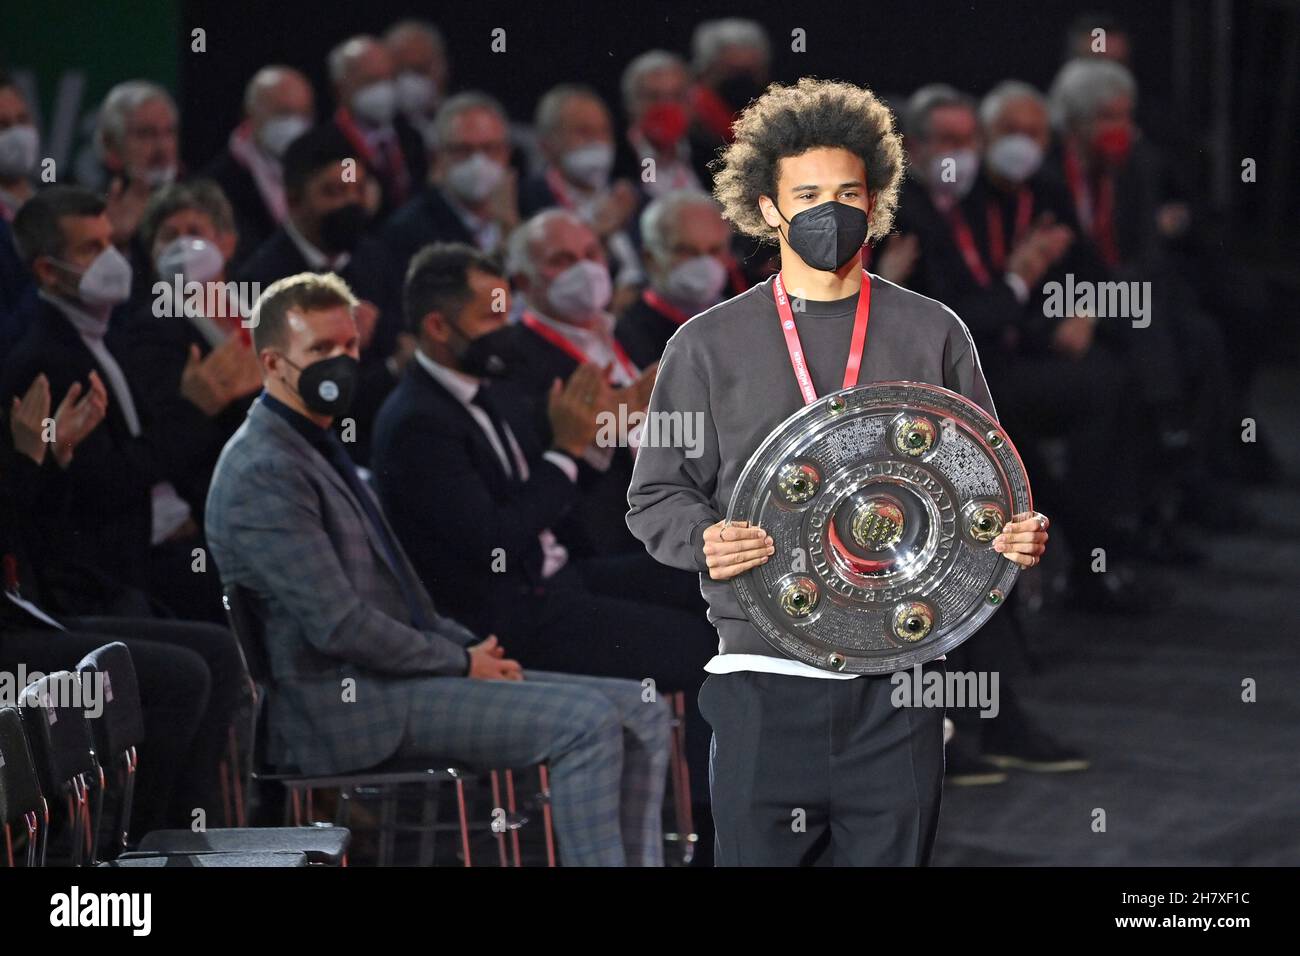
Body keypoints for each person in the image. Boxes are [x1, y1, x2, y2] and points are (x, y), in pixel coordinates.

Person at [626, 78, 1051, 866]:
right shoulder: (705, 345)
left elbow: (986, 483)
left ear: (879, 198)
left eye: (850, 192)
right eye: (810, 193)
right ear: (767, 208)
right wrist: (704, 537)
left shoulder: (934, 331)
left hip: (900, 685)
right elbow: (653, 497)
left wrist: (1016, 534)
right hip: (760, 677)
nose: (833, 211)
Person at [204, 270, 670, 866]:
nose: (341, 362)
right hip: (344, 706)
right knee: (587, 724)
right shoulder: (264, 468)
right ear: (271, 363)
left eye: (348, 347)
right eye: (319, 351)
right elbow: (339, 626)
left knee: (643, 710)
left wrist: (475, 650)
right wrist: (459, 661)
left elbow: (402, 598)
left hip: (404, 676)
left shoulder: (316, 443)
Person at [1, 187, 225, 623]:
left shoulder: (104, 337)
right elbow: (105, 483)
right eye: (91, 248)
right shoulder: (43, 365)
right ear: (47, 271)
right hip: (108, 581)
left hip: (145, 558)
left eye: (111, 243)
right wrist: (194, 408)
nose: (110, 259)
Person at [236, 123, 406, 463]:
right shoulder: (263, 281)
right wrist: (385, 365)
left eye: (357, 190)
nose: (351, 204)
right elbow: (292, 396)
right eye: (333, 193)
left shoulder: (376, 258)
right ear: (293, 200)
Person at [117, 180, 261, 515]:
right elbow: (172, 436)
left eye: (194, 231)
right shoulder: (150, 330)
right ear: (152, 256)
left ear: (227, 243)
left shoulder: (257, 304)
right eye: (168, 236)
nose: (182, 244)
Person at [382, 92, 518, 278]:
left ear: (507, 153)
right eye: (463, 150)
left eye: (490, 149)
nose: (478, 161)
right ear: (437, 157)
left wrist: (511, 232)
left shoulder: (530, 214)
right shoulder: (408, 232)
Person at [203, 66, 316, 268]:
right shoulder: (217, 183)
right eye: (284, 113)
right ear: (249, 114)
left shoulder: (315, 171)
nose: (295, 124)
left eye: (303, 114)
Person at [616, 189, 738, 369]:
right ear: (650, 258)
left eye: (714, 250)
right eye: (686, 251)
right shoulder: (630, 335)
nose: (704, 264)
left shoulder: (744, 313)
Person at [326, 35, 427, 220]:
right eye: (370, 80)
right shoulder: (328, 149)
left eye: (389, 78)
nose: (383, 89)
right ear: (340, 89)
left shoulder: (411, 138)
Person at [383, 19, 450, 152]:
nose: (410, 81)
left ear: (442, 68)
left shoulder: (465, 120)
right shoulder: (377, 133)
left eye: (419, 70)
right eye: (400, 71)